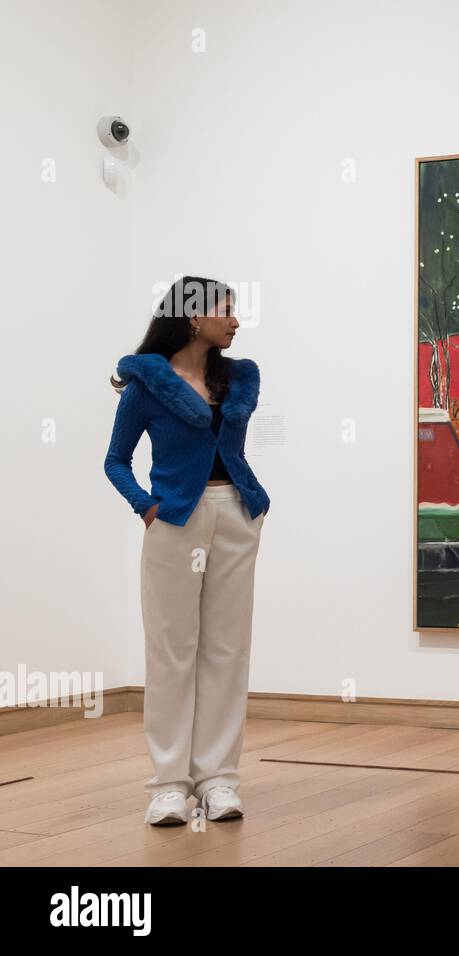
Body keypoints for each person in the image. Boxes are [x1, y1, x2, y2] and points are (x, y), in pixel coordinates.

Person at [104, 276, 270, 826]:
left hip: (237, 516)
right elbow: (116, 461)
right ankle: (169, 785)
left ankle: (219, 779)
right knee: (172, 650)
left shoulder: (237, 380)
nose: (237, 320)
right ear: (194, 317)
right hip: (175, 520)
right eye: (229, 309)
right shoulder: (146, 384)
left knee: (228, 649)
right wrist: (146, 508)